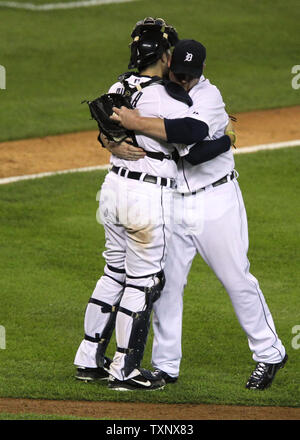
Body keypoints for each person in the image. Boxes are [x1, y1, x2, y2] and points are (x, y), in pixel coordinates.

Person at [111, 39, 288, 390]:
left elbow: (192, 151)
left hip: (216, 199)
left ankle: (270, 352)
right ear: (169, 67)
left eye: (190, 76)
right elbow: (122, 123)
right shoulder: (159, 92)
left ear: (201, 71)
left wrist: (142, 123)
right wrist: (115, 137)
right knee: (168, 286)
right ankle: (165, 365)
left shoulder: (210, 98)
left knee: (236, 278)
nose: (184, 81)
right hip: (173, 201)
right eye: (178, 74)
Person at [74, 19, 232, 391]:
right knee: (145, 282)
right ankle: (125, 370)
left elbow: (104, 121)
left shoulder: (119, 85)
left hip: (112, 188)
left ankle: (88, 359)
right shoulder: (167, 97)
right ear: (163, 55)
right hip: (145, 196)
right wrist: (225, 139)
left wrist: (111, 140)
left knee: (114, 272)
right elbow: (193, 135)